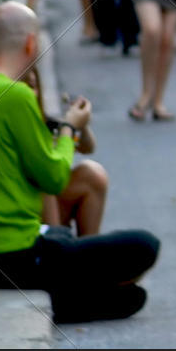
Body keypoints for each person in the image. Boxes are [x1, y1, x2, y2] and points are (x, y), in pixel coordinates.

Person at [0, 2, 159, 323]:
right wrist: (69, 127)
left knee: (130, 296)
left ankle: (73, 293)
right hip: (11, 256)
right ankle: (72, 293)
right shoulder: (15, 96)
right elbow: (54, 179)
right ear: (30, 43)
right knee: (144, 246)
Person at [24, 62, 108, 238]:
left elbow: (88, 147)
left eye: (32, 86)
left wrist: (79, 125)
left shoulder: (45, 123)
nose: (28, 93)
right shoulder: (5, 124)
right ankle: (56, 249)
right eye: (21, 87)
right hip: (22, 209)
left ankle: (88, 251)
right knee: (44, 181)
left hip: (51, 202)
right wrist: (69, 126)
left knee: (93, 174)